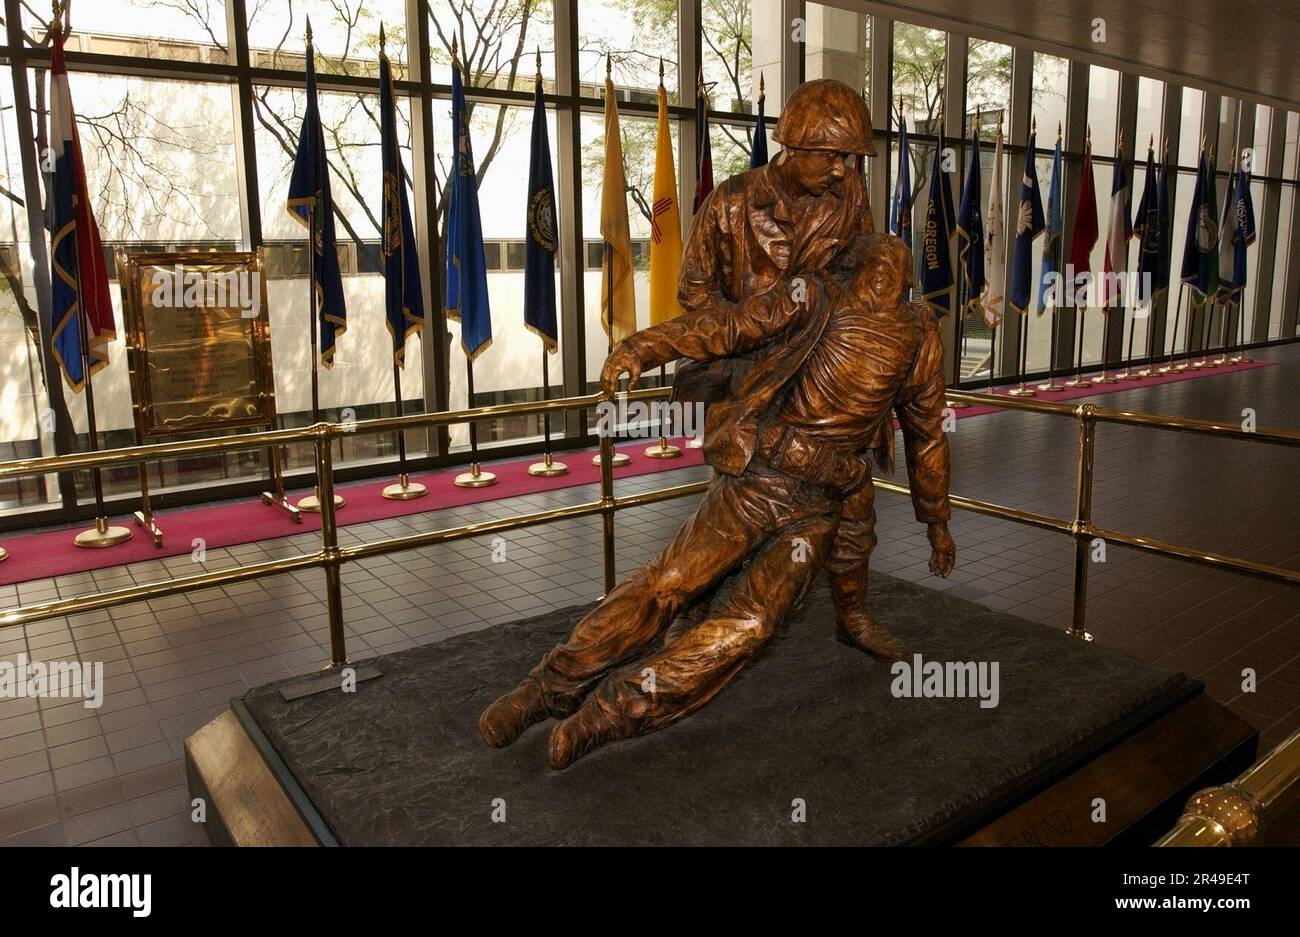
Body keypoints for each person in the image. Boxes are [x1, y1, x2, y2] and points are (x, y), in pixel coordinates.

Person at [479, 232, 955, 770]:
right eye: (872, 274)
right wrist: (644, 346)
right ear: (854, 271)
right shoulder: (814, 296)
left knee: (750, 625)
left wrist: (936, 520)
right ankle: (546, 689)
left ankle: (608, 715)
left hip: (820, 505)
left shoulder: (918, 334)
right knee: (669, 583)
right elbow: (729, 325)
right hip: (757, 479)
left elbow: (927, 430)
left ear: (907, 282)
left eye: (893, 279)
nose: (880, 287)